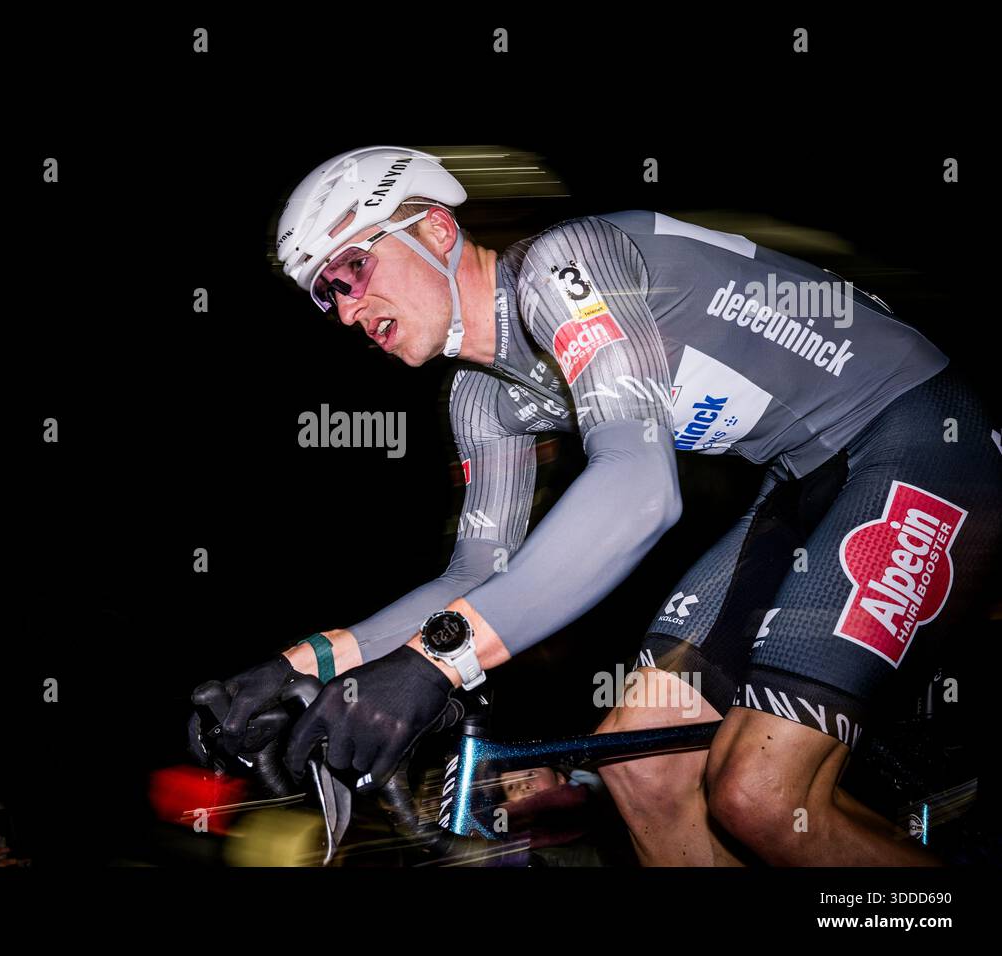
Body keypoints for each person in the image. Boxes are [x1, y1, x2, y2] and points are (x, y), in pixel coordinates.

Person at [190, 146, 1002, 865]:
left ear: (436, 230)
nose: (344, 308)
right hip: (801, 480)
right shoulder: (481, 397)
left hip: (919, 433)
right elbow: (479, 574)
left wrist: (440, 661)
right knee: (640, 771)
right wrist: (303, 666)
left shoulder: (563, 265)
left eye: (349, 271)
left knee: (759, 797)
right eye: (322, 297)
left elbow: (639, 489)